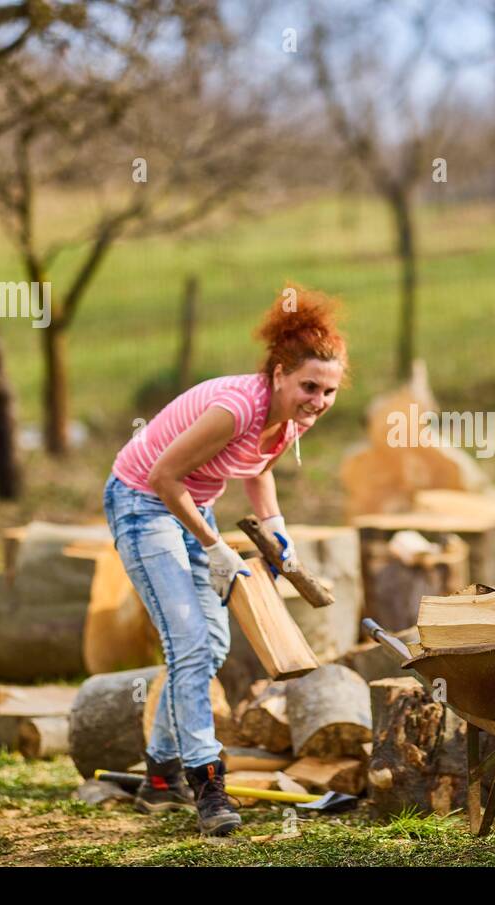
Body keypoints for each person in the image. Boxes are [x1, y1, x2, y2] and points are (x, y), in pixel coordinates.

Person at [103, 285, 347, 836]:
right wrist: (213, 546)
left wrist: (277, 533)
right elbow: (164, 478)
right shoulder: (236, 407)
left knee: (209, 644)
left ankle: (160, 774)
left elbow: (258, 468)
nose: (319, 401)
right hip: (144, 504)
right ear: (279, 373)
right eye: (309, 386)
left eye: (329, 391)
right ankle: (207, 784)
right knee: (187, 643)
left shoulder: (294, 417)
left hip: (192, 506)